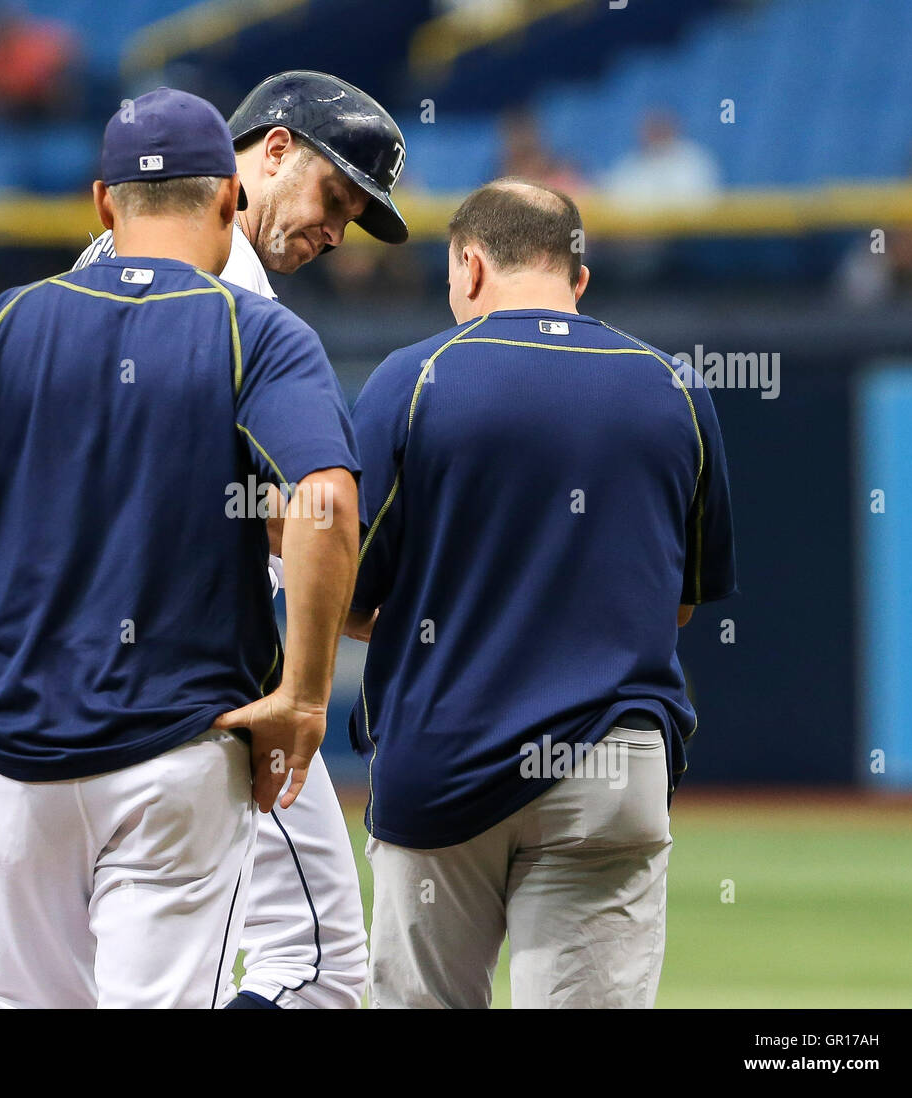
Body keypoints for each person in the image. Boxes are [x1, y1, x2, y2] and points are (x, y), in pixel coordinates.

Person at [0, 88, 361, 1008]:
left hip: (15, 763)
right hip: (175, 752)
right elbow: (323, 503)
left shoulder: (3, 323)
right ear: (230, 200)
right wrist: (303, 696)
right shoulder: (258, 331)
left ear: (103, 204)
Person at [347, 179, 736, 1008]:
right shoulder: (675, 388)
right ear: (579, 277)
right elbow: (679, 603)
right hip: (611, 766)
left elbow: (343, 594)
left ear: (470, 264)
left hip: (443, 752)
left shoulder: (414, 378)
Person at [72, 70, 408, 1009]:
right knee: (318, 967)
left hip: (70, 678)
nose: (337, 230)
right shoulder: (232, 291)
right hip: (203, 680)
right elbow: (298, 511)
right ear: (272, 150)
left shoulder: (107, 260)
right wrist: (352, 621)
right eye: (335, 197)